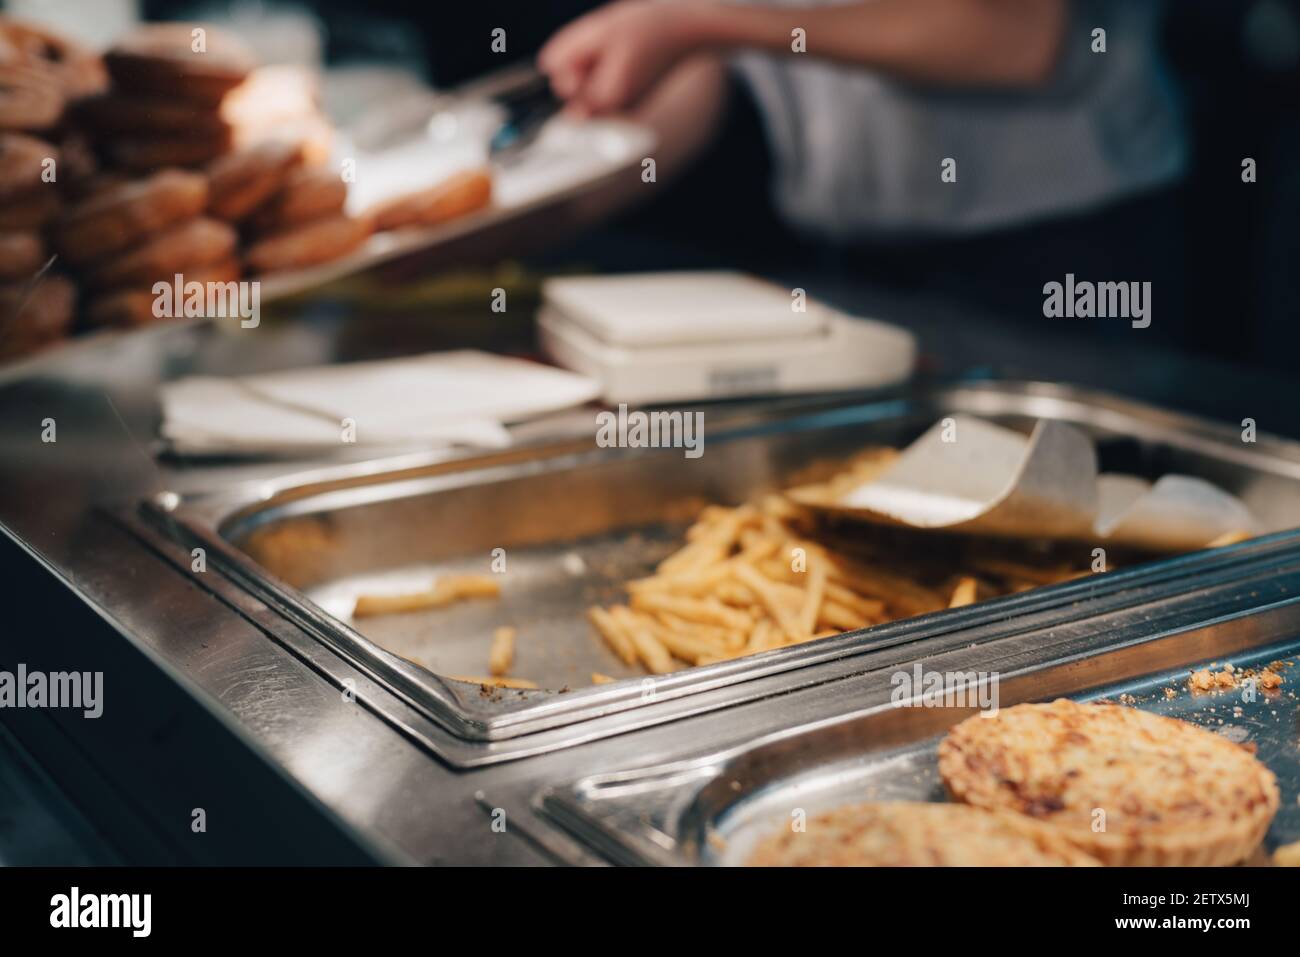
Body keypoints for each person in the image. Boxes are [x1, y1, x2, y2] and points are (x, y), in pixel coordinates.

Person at [537, 0, 1190, 341]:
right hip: (857, 254)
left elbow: (1024, 37)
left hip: (1057, 241)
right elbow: (698, 73)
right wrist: (525, 207)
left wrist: (695, 22)